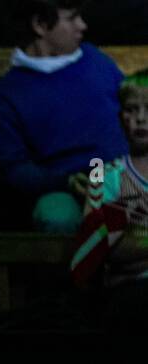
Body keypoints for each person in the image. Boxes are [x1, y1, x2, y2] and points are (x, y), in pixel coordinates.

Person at [0, 2, 128, 233]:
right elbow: (14, 169)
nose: (82, 26)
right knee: (56, 216)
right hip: (65, 190)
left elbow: (134, 110)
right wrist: (66, 181)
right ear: (40, 25)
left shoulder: (95, 60)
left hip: (124, 178)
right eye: (72, 19)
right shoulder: (6, 95)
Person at [70, 72, 148, 321]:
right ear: (121, 118)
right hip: (128, 293)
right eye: (132, 110)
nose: (141, 119)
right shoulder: (105, 178)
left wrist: (135, 236)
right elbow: (98, 250)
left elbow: (127, 244)